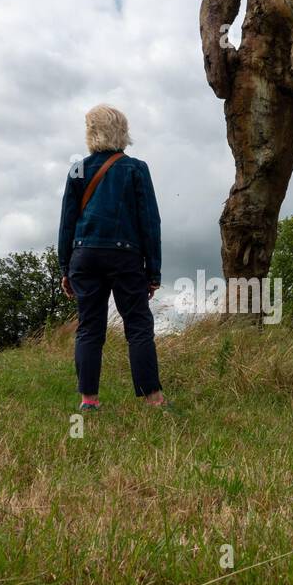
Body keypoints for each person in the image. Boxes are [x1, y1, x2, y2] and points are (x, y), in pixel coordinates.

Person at [58, 104, 167, 411]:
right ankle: (153, 399)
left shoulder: (77, 169)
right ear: (123, 131)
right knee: (138, 327)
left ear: (91, 133)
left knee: (89, 328)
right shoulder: (136, 168)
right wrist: (153, 272)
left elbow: (67, 222)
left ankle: (88, 401)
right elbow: (150, 222)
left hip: (84, 254)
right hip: (125, 256)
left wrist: (65, 267)